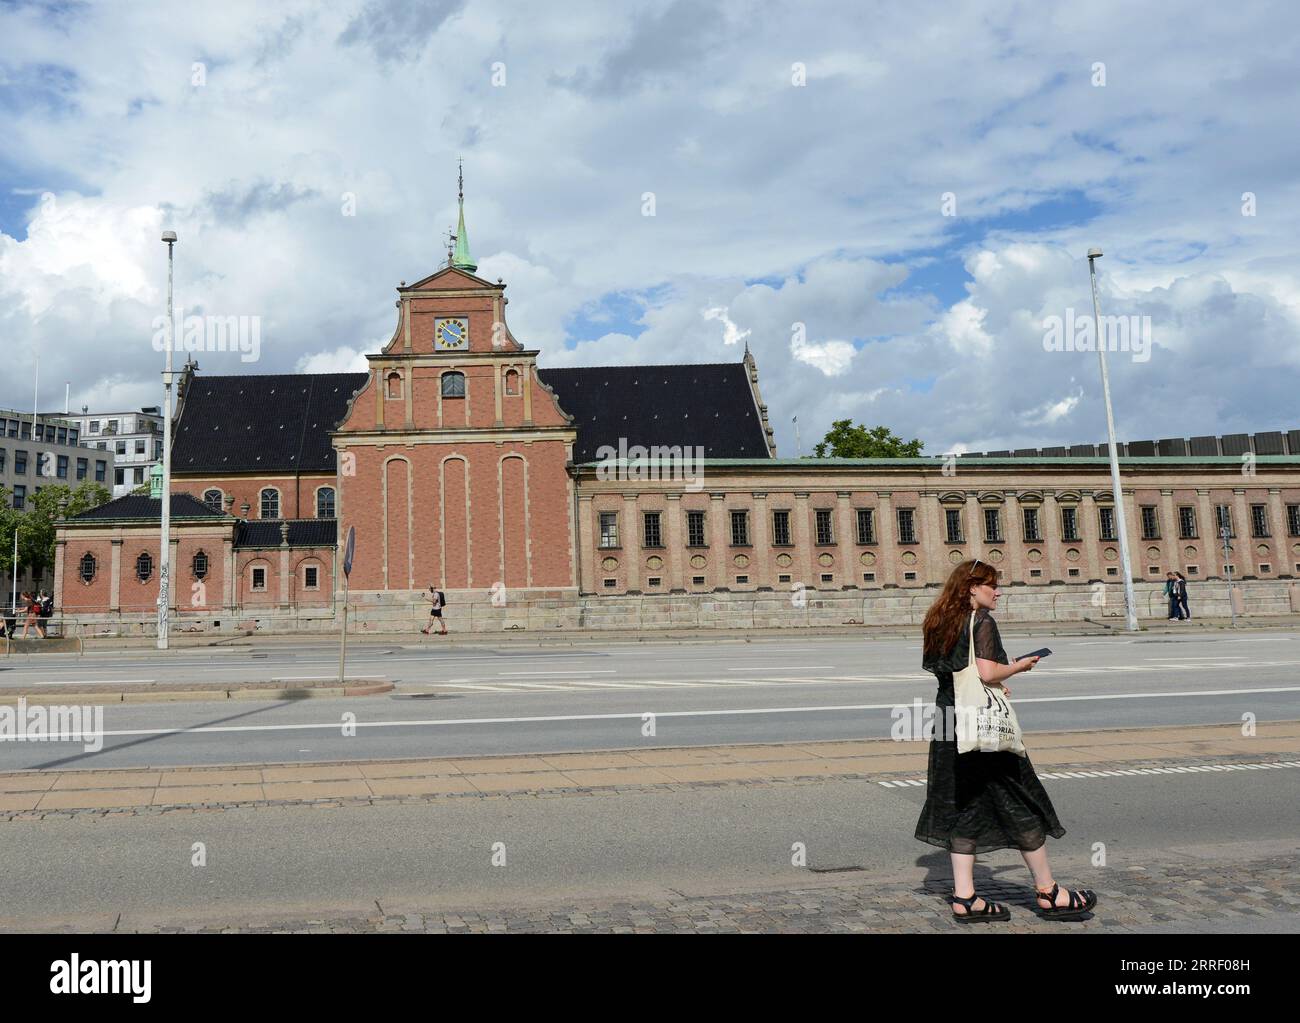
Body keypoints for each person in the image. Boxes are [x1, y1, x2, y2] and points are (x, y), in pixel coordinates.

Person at [916, 559, 1098, 922]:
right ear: (972, 587)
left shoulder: (938, 621)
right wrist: (1020, 665)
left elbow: (959, 674)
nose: (998, 592)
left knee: (965, 806)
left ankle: (965, 897)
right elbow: (985, 671)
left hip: (950, 724)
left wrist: (995, 679)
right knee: (1021, 800)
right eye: (993, 585)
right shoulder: (981, 620)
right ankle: (1049, 893)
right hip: (982, 733)